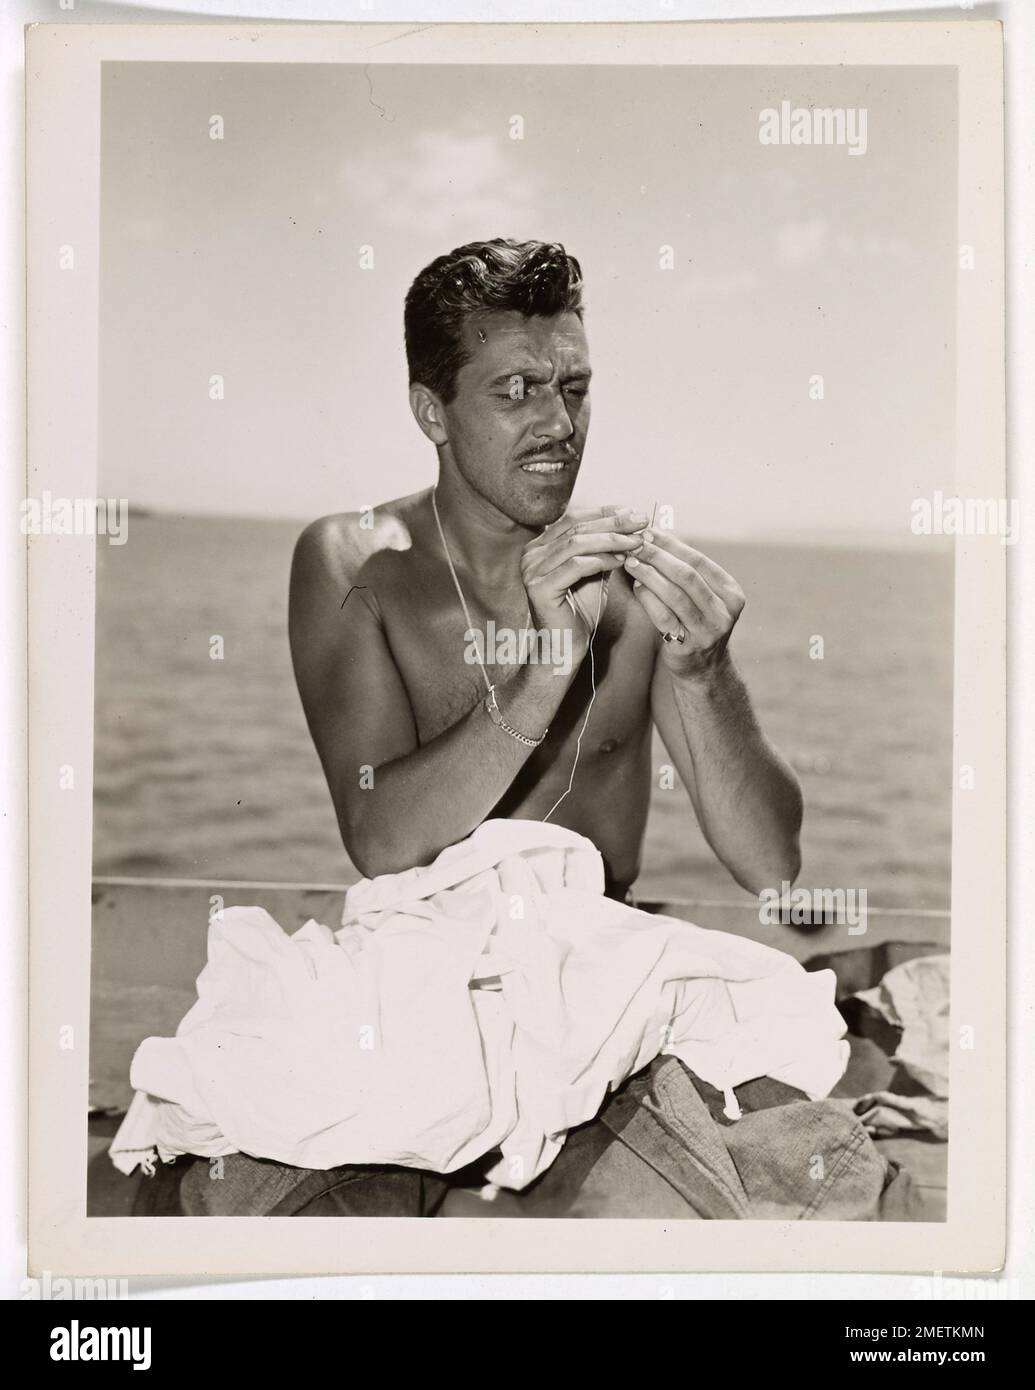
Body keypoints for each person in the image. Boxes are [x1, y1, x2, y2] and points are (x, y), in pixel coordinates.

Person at [289, 237, 803, 903]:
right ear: (430, 413)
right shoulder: (355, 562)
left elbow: (772, 870)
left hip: (604, 967)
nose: (559, 423)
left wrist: (709, 677)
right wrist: (548, 666)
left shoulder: (633, 578)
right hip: (426, 965)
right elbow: (378, 844)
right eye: (516, 390)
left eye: (573, 388)